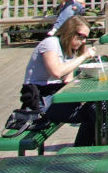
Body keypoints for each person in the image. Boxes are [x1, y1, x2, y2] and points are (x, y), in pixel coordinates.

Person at [21, 15, 100, 147]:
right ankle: (81, 151)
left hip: (54, 94)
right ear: (69, 31)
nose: (83, 41)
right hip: (40, 100)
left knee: (98, 107)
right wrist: (84, 56)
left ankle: (89, 148)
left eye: (85, 37)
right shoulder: (50, 43)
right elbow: (56, 72)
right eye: (80, 36)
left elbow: (66, 79)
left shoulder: (67, 49)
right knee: (92, 113)